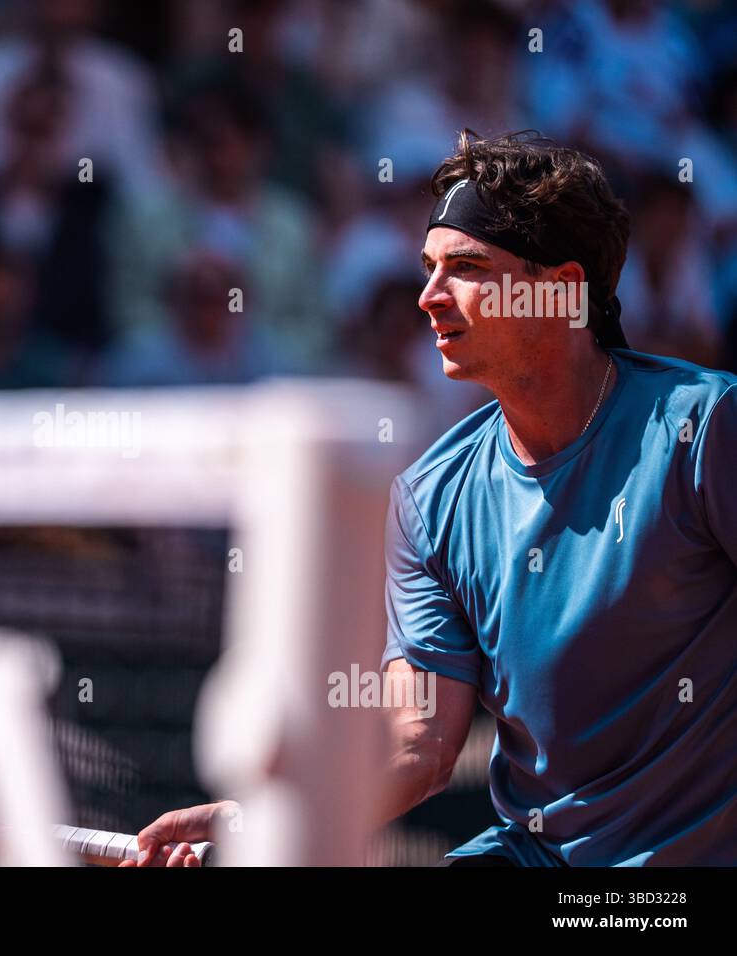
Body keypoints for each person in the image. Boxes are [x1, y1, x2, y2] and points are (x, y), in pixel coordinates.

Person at [126, 131, 737, 867]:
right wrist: (251, 821)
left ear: (562, 289)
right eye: (428, 268)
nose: (428, 296)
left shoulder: (705, 430)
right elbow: (419, 742)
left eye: (467, 268)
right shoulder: (428, 497)